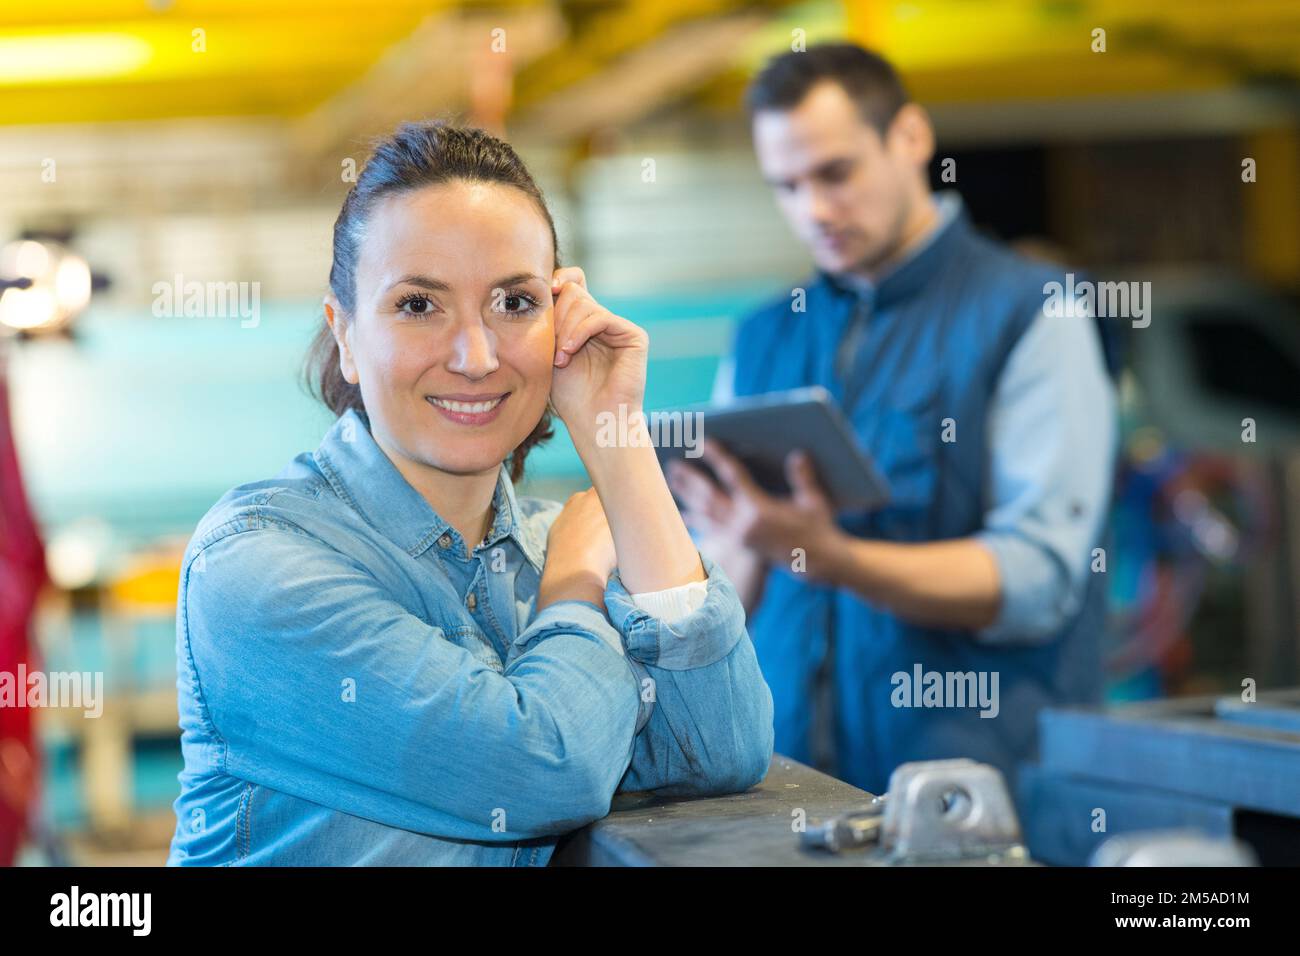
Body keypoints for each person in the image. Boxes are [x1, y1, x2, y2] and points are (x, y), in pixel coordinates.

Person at [167, 122, 773, 865]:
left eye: (514, 303)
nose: (477, 355)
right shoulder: (258, 566)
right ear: (346, 334)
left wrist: (617, 440)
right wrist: (578, 591)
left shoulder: (559, 542)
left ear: (562, 322)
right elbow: (540, 771)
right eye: (420, 305)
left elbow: (722, 751)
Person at [669, 44, 1117, 796]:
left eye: (835, 173)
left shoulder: (1032, 312)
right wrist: (734, 552)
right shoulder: (763, 336)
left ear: (909, 138)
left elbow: (1039, 578)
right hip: (783, 790)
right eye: (786, 184)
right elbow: (718, 576)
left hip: (973, 796)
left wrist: (829, 555)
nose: (813, 209)